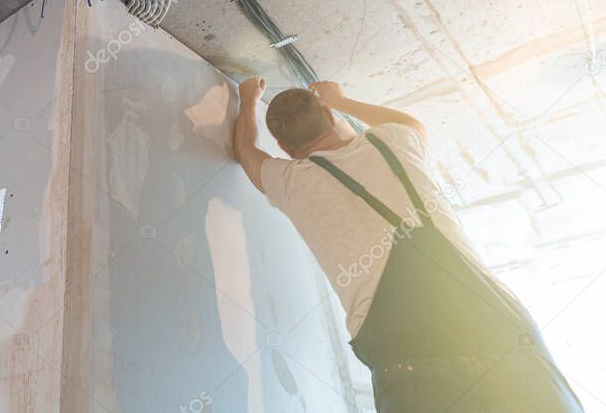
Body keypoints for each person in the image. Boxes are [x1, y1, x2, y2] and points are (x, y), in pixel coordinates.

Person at [232, 77, 585, 413]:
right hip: (500, 331)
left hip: (409, 362)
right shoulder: (395, 140)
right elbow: (405, 120)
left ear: (283, 147)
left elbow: (245, 149)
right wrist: (339, 100)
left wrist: (247, 99)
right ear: (329, 116)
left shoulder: (291, 181)